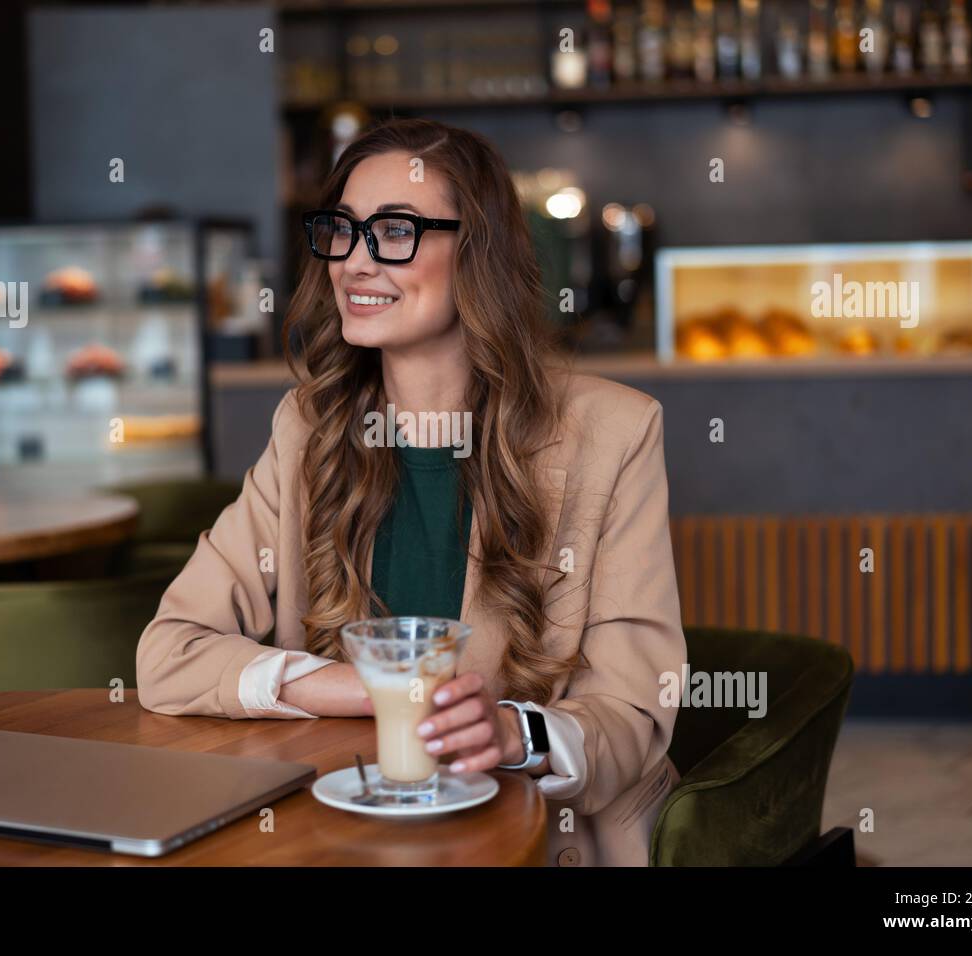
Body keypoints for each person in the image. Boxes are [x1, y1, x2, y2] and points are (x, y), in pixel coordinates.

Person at [137, 117, 686, 866]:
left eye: (395, 231)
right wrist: (351, 685)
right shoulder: (308, 429)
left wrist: (513, 733)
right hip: (346, 840)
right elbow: (169, 654)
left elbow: (633, 716)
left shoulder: (615, 433)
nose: (355, 264)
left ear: (478, 251)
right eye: (342, 230)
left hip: (536, 845)